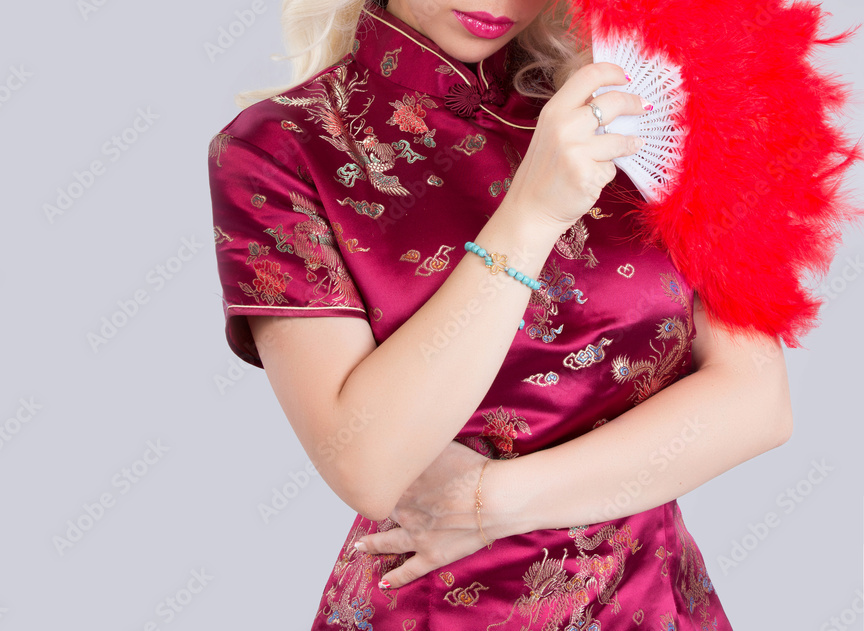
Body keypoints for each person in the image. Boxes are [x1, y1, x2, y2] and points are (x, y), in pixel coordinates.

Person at [207, 0, 793, 628]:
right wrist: (531, 216)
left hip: (651, 602)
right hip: (433, 606)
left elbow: (757, 400)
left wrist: (493, 501)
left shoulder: (633, 111)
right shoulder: (276, 149)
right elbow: (367, 465)